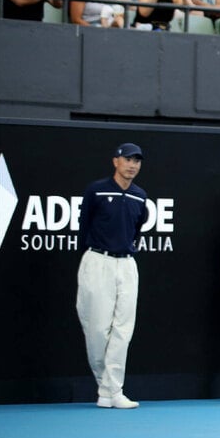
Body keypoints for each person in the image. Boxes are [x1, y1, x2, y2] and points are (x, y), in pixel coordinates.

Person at [76, 142, 147, 409]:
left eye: (137, 161)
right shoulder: (96, 190)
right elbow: (84, 228)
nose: (132, 165)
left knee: (122, 330)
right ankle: (106, 387)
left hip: (127, 264)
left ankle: (112, 391)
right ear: (115, 161)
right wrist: (92, 258)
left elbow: (136, 231)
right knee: (96, 329)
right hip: (97, 261)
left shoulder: (141, 196)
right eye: (128, 159)